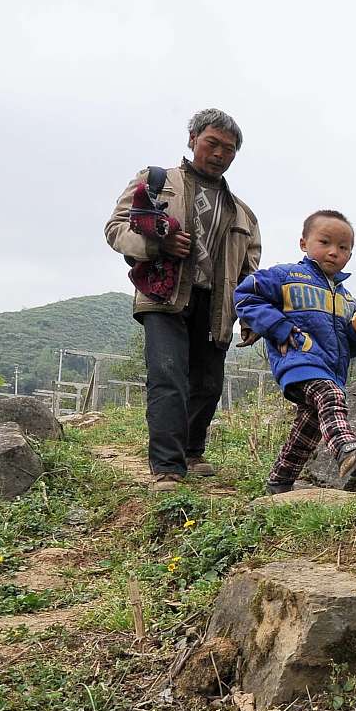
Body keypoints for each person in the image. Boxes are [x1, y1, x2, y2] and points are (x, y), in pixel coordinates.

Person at [104, 108, 261, 492]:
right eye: (212, 143)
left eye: (229, 148)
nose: (219, 153)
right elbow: (115, 229)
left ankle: (192, 450)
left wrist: (252, 314)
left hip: (216, 303)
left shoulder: (242, 212)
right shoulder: (156, 183)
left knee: (207, 382)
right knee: (168, 375)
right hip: (164, 295)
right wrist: (156, 243)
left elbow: (250, 269)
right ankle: (168, 467)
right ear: (193, 140)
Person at [234, 210, 356, 495]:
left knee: (308, 429)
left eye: (343, 248)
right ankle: (347, 453)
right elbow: (245, 296)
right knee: (330, 395)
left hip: (330, 369)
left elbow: (352, 347)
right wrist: (279, 327)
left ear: (350, 255)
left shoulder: (347, 299)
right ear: (304, 243)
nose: (334, 252)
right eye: (325, 242)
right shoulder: (285, 276)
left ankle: (279, 482)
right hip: (297, 360)